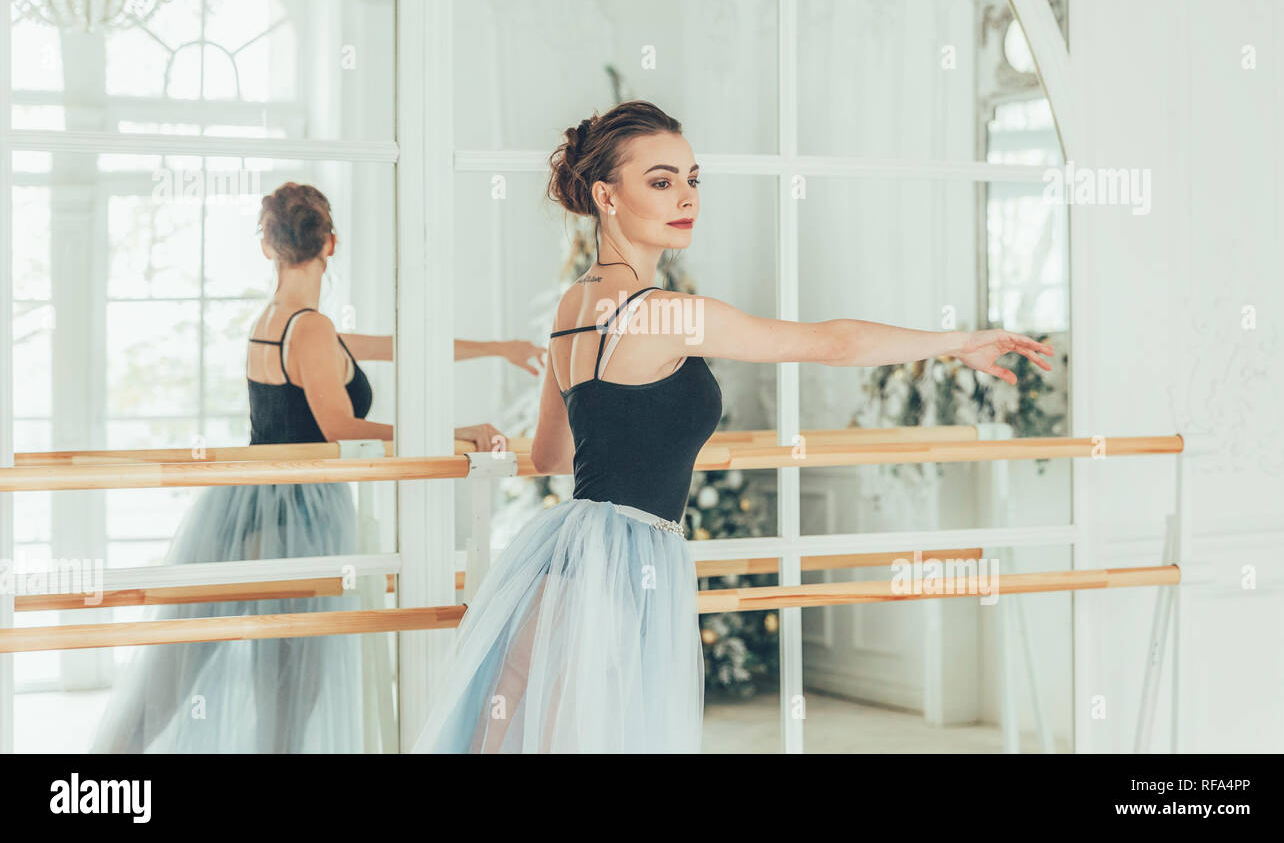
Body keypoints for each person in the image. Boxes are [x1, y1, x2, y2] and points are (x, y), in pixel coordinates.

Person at [413, 100, 1054, 753]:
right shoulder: (663, 313)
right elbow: (829, 343)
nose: (685, 196)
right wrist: (959, 340)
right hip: (628, 555)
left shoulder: (574, 305)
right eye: (661, 181)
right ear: (607, 195)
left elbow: (552, 456)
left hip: (567, 548)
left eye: (693, 179)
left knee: (523, 723)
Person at [91, 181, 541, 752]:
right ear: (331, 244)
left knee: (195, 668)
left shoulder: (282, 319)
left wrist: (496, 347)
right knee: (290, 682)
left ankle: (107, 765)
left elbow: (394, 345)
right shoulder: (309, 327)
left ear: (268, 248)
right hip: (296, 513)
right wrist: (455, 433)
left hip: (244, 507)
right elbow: (340, 431)